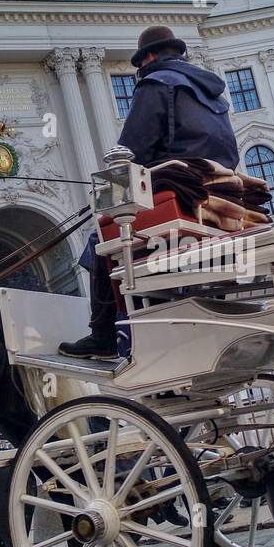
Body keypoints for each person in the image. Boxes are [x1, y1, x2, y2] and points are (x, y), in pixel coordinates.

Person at [59, 26, 239, 360]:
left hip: (178, 186)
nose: (140, 70)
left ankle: (102, 334)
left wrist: (109, 193)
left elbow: (131, 151)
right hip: (218, 187)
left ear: (151, 56)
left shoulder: (157, 83)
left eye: (141, 63)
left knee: (100, 241)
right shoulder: (215, 95)